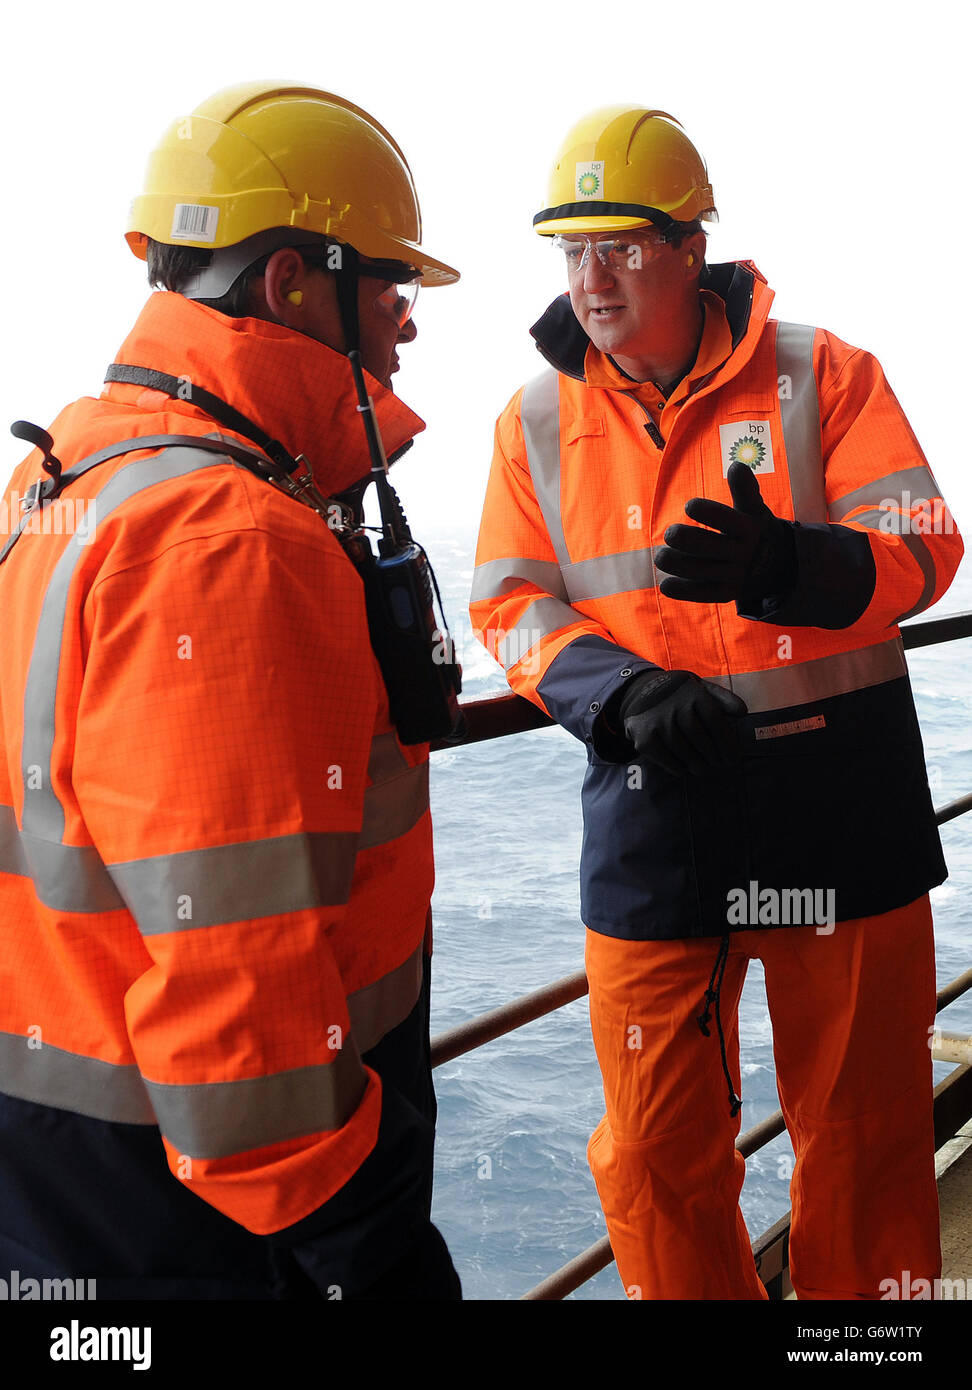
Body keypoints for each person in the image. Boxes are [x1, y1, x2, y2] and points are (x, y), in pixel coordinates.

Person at [470, 106, 963, 1300]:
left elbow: (923, 538)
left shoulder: (824, 372)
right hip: (658, 809)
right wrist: (619, 690)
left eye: (623, 247)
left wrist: (795, 562)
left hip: (835, 805)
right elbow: (507, 599)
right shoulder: (534, 423)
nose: (593, 279)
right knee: (649, 1150)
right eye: (572, 251)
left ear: (690, 248)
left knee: (862, 1138)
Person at [0, 81, 462, 1300]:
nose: (405, 324)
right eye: (387, 285)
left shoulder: (71, 481)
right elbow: (236, 962)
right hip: (208, 1215)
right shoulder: (228, 537)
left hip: (65, 1157)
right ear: (290, 283)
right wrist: (364, 1242)